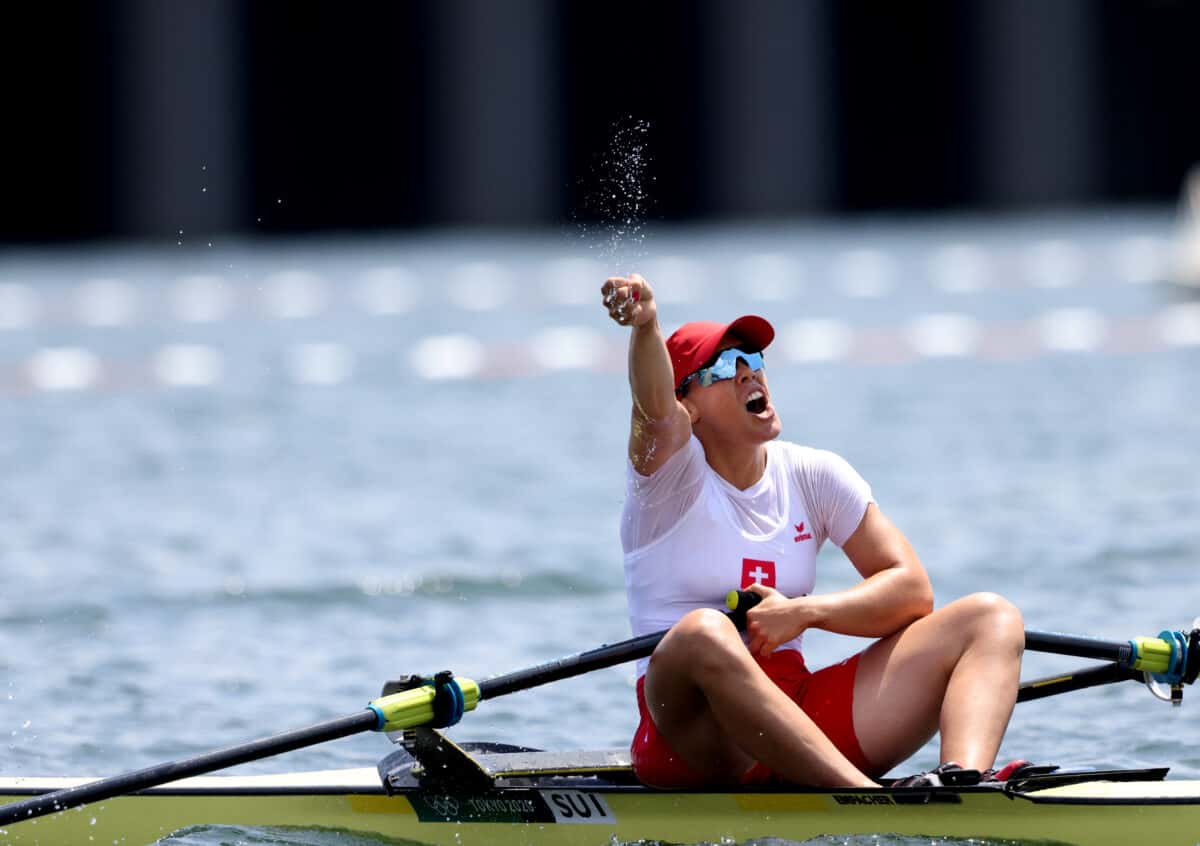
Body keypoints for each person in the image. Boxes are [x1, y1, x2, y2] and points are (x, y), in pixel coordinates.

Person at [599, 272, 1026, 788]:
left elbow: (912, 591)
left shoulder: (814, 475)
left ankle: (963, 784)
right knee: (704, 631)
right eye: (726, 367)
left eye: (754, 362)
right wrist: (646, 327)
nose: (749, 375)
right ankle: (861, 796)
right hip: (694, 738)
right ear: (686, 405)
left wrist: (804, 612)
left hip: (797, 712)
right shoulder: (666, 481)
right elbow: (651, 409)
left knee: (991, 617)